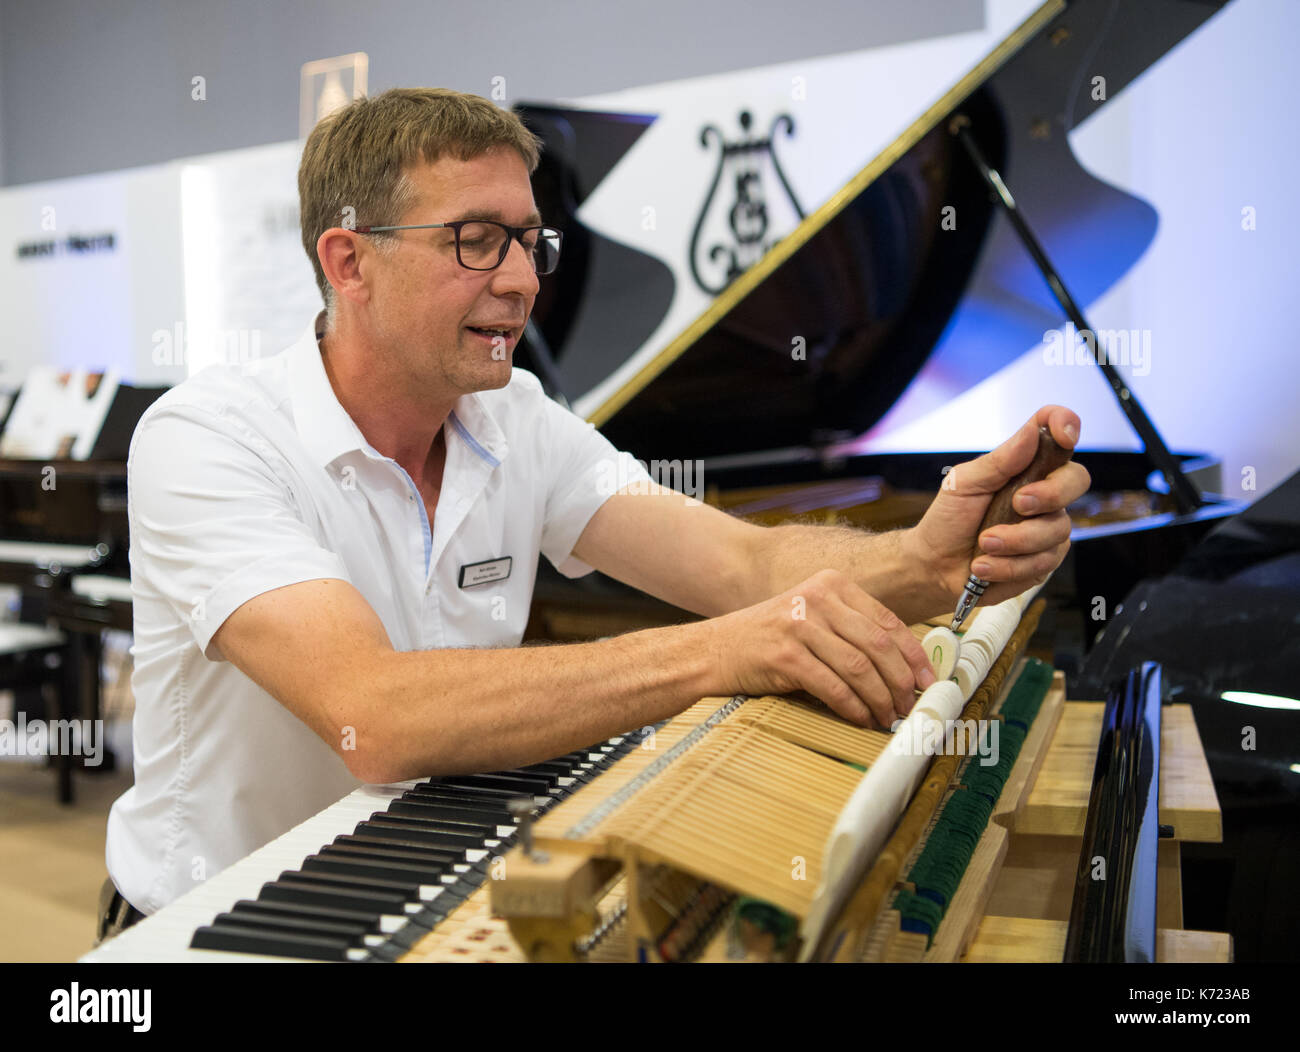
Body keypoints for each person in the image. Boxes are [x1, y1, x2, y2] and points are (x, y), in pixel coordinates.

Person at [101, 87, 1090, 928]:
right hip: (211, 921)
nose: (524, 280)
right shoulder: (207, 437)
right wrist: (728, 647)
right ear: (349, 261)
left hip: (415, 896)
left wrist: (925, 557)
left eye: (530, 241)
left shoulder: (514, 416)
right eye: (476, 241)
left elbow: (744, 569)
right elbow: (372, 716)